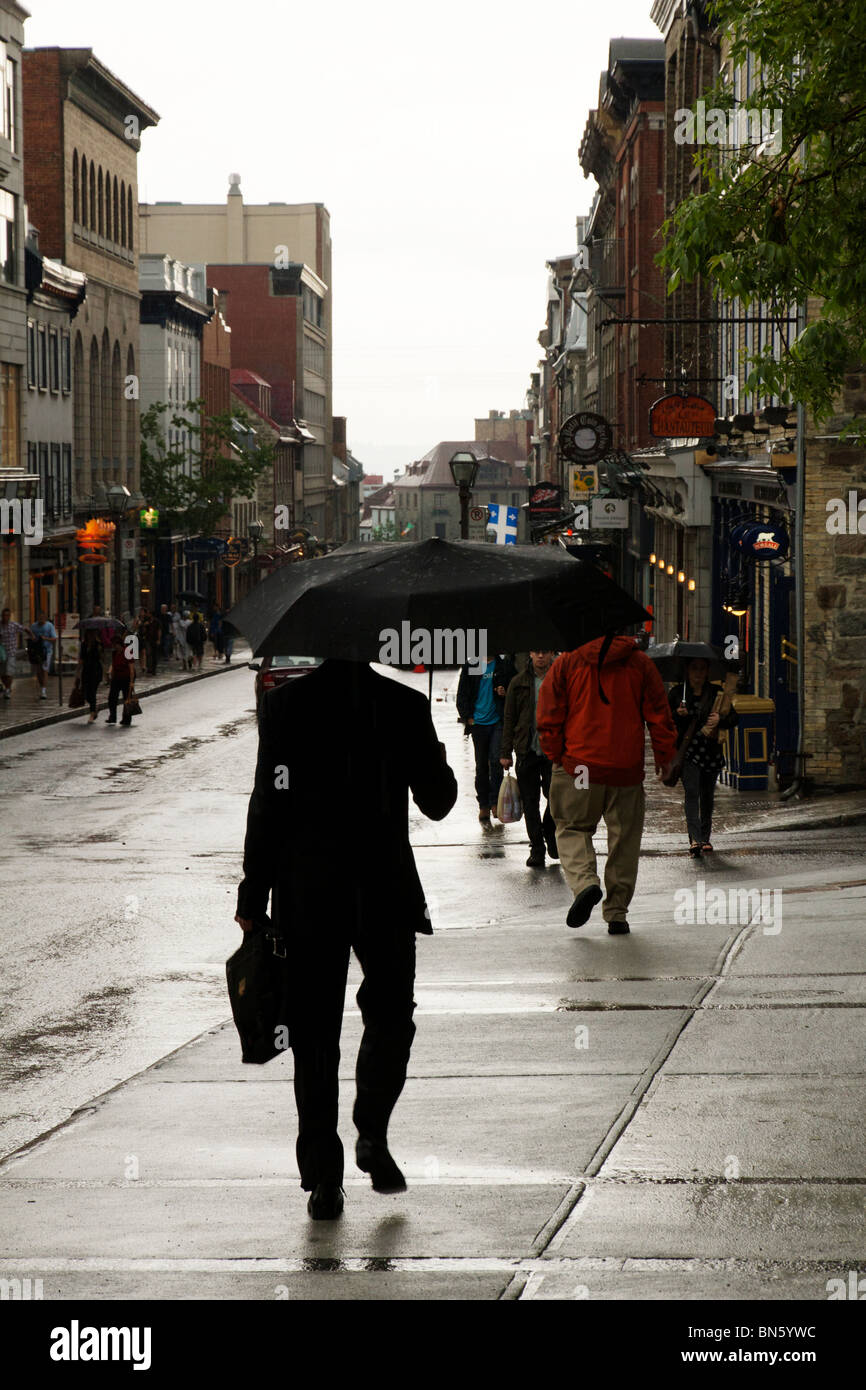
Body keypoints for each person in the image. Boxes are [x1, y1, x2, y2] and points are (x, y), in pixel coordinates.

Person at [235, 659, 458, 1221]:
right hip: (383, 892)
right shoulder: (404, 705)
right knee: (390, 1015)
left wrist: (251, 896)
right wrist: (433, 755)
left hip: (307, 895)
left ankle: (322, 1180)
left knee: (313, 1036)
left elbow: (268, 803)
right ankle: (372, 1130)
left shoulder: (285, 707)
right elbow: (439, 801)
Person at [537, 632, 678, 936]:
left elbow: (548, 713)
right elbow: (658, 714)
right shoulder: (640, 664)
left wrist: (556, 754)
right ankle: (617, 913)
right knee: (624, 839)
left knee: (573, 828)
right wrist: (665, 758)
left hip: (581, 767)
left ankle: (586, 883)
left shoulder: (568, 663)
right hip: (624, 770)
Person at [669, 659, 739, 858]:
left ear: (708, 671)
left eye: (702, 668)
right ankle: (694, 838)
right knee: (692, 791)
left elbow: (734, 718)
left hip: (710, 751)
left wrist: (720, 720)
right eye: (694, 668)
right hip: (687, 751)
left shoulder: (716, 693)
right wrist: (676, 714)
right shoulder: (677, 694)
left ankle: (705, 837)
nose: (698, 673)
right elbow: (663, 720)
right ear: (687, 670)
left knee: (707, 795)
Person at [500, 650, 559, 867]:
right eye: (536, 652)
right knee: (529, 802)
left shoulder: (560, 679)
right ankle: (537, 848)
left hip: (553, 750)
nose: (541, 656)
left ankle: (550, 832)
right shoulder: (518, 682)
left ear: (552, 654)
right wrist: (505, 752)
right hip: (527, 750)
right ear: (530, 655)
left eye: (545, 652)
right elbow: (509, 717)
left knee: (556, 797)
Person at [456, 653, 516, 825]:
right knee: (481, 765)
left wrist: (505, 692)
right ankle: (483, 803)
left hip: (497, 720)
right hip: (478, 724)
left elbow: (514, 691)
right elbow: (462, 694)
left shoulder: (503, 665)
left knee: (496, 761)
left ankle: (495, 801)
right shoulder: (472, 665)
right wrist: (468, 717)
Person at [106, 633, 136, 725]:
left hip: (126, 678)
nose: (114, 647)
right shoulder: (114, 653)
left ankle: (126, 719)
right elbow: (113, 664)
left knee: (127, 699)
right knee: (112, 698)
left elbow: (131, 669)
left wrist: (131, 683)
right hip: (116, 678)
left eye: (115, 645)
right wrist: (110, 673)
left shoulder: (127, 652)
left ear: (119, 644)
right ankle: (112, 717)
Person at [76, 629, 104, 723]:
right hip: (86, 670)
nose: (90, 635)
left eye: (92, 633)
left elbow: (101, 657)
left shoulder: (98, 644)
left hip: (96, 670)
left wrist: (99, 647)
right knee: (86, 693)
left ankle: (92, 713)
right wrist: (78, 671)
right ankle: (94, 708)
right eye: (88, 633)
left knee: (92, 692)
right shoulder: (83, 644)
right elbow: (81, 658)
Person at [29, 611, 57, 700]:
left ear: (45, 618)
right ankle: (42, 687)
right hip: (37, 651)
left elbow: (54, 639)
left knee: (44, 670)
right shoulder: (34, 626)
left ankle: (43, 690)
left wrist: (45, 638)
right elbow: (31, 636)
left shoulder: (49, 626)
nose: (41, 619)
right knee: (38, 670)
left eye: (42, 618)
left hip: (47, 651)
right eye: (39, 618)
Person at [0, 608, 27, 699]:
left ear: (9, 616)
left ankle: (7, 689)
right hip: (1, 653)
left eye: (7, 615)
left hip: (11, 652)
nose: (5, 617)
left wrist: (32, 636)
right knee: (2, 674)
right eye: (4, 615)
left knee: (9, 672)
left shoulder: (13, 625)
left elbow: (24, 629)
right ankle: (6, 687)